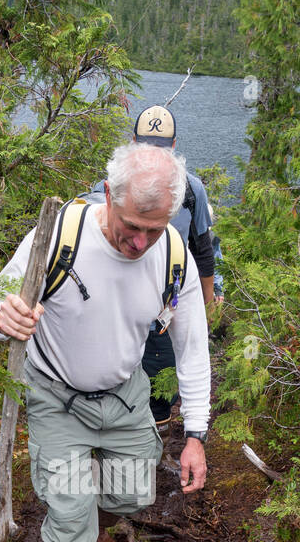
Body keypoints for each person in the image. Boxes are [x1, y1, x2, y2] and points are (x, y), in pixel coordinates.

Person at [0, 143, 211, 542]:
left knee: (128, 491)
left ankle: (100, 532)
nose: (140, 243)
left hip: (124, 394)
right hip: (56, 396)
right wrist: (0, 317)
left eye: (155, 228)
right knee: (68, 513)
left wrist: (196, 435)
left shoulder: (172, 254)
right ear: (108, 195)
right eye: (131, 226)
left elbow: (193, 349)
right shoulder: (61, 235)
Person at [90, 105, 221, 451]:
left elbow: (203, 250)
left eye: (160, 147)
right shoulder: (113, 186)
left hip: (168, 303)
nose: (152, 153)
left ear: (174, 145)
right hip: (117, 305)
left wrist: (203, 306)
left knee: (162, 381)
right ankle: (108, 447)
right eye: (145, 145)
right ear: (132, 142)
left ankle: (152, 451)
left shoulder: (190, 191)